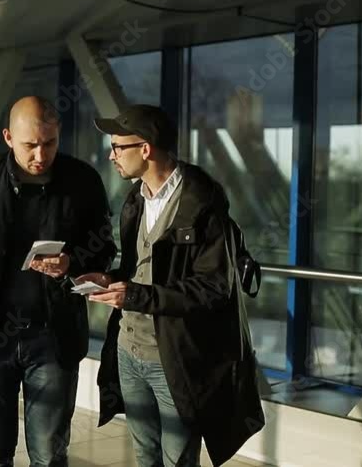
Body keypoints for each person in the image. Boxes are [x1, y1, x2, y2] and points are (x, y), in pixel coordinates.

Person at [0, 95, 117, 467]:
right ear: (7, 137)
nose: (40, 154)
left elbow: (104, 249)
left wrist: (72, 262)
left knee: (49, 456)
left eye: (49, 143)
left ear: (58, 134)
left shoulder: (82, 180)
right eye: (30, 144)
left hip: (53, 338)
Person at [78, 104, 264, 467]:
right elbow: (142, 269)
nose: (111, 155)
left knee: (178, 460)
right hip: (129, 353)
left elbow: (213, 288)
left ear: (144, 149)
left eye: (118, 147)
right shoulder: (136, 200)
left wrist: (136, 295)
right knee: (146, 455)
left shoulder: (203, 206)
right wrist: (113, 279)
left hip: (174, 360)